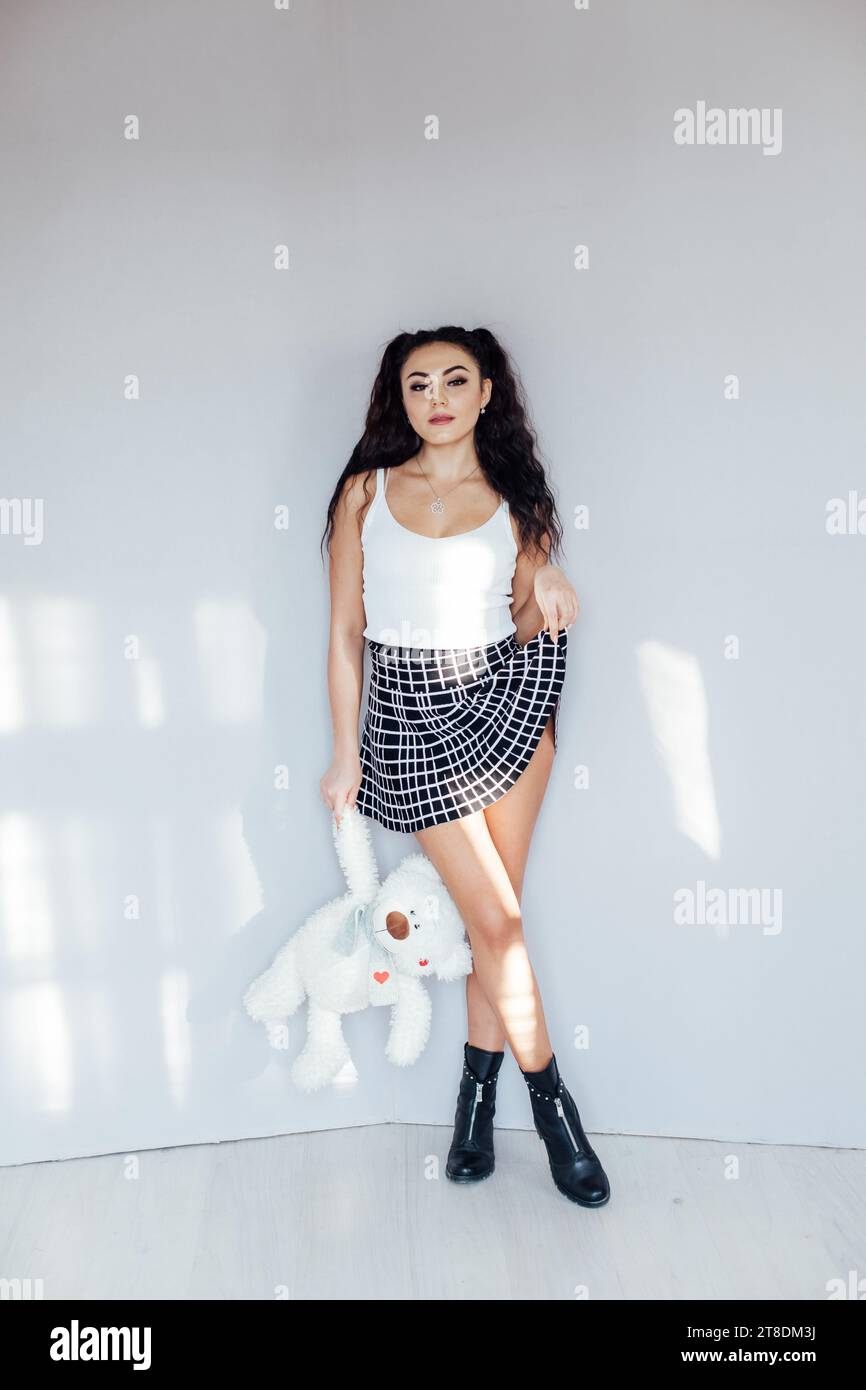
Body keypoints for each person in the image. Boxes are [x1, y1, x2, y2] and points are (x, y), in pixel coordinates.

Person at [319, 325, 609, 1208]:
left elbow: (525, 612)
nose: (437, 397)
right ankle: (554, 1108)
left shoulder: (515, 496)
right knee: (503, 929)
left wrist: (551, 582)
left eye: (455, 380)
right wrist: (344, 751)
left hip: (506, 696)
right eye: (418, 384)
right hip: (408, 718)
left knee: (496, 926)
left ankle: (475, 1107)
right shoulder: (365, 492)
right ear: (398, 399)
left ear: (487, 393)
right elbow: (342, 636)